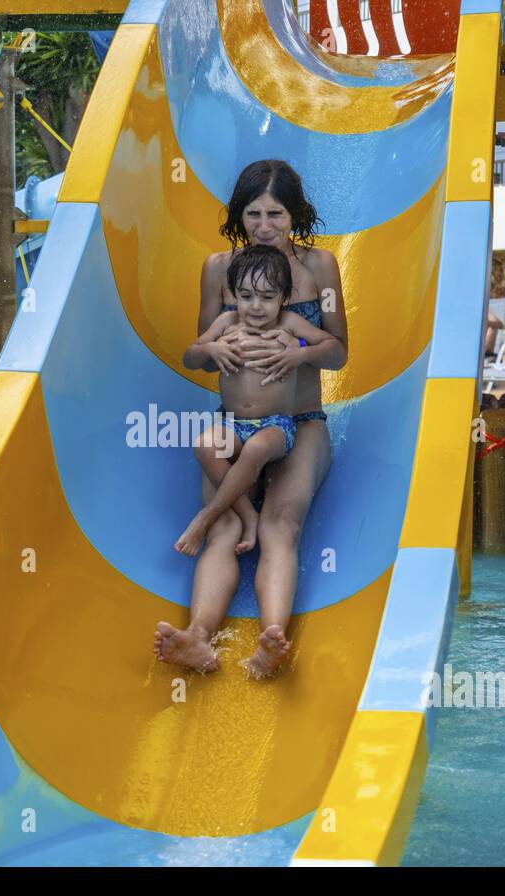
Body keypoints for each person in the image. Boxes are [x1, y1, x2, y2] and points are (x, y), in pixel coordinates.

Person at [154, 159, 348, 678]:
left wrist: (298, 355)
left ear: (295, 215)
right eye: (253, 214)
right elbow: (197, 350)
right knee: (221, 530)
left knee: (281, 525)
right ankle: (198, 639)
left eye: (276, 214)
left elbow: (338, 354)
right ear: (239, 216)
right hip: (233, 423)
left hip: (299, 421)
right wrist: (215, 351)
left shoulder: (320, 269)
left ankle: (271, 640)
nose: (265, 226)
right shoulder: (219, 269)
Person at [175, 245, 339, 558]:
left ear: (284, 298)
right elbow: (190, 356)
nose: (256, 306)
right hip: (233, 424)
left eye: (267, 297)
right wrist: (211, 350)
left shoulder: (289, 323)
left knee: (255, 449)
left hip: (275, 426)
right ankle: (249, 516)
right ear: (234, 295)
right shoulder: (226, 323)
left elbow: (331, 344)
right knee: (205, 446)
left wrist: (300, 349)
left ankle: (206, 516)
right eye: (247, 296)